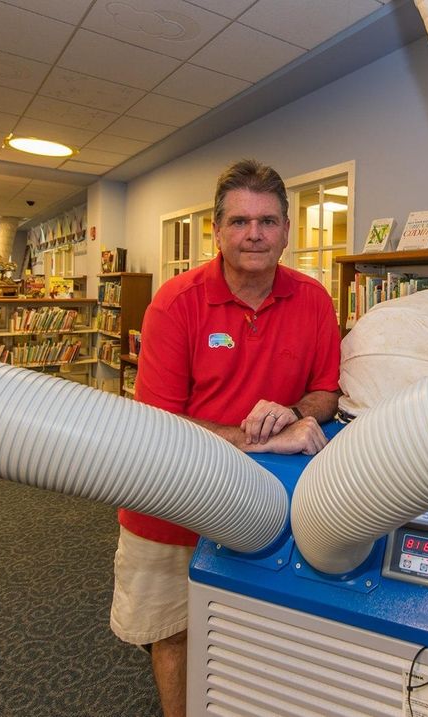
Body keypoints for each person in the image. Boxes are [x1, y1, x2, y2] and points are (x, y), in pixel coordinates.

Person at [112, 159, 341, 716]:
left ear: (287, 228)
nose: (254, 234)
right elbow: (156, 423)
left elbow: (326, 393)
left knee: (258, 636)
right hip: (171, 505)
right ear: (216, 231)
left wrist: (289, 412)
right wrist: (258, 438)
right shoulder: (175, 303)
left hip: (267, 510)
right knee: (175, 634)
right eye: (239, 221)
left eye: (267, 221)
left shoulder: (313, 300)